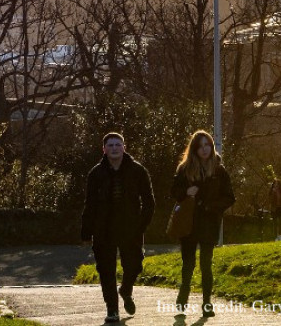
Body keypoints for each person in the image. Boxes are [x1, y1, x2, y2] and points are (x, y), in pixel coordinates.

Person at [80, 132, 155, 323]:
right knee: (106, 270)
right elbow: (89, 204)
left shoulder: (138, 171)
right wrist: (86, 232)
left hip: (131, 227)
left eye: (118, 144)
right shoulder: (96, 173)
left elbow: (149, 201)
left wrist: (141, 225)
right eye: (110, 145)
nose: (114, 148)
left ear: (124, 147)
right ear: (104, 149)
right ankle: (112, 309)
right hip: (103, 228)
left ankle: (126, 289)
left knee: (135, 265)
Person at [170, 130, 235, 318]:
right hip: (188, 221)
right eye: (201, 146)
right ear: (195, 149)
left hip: (209, 222)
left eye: (208, 145)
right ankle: (183, 297)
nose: (205, 149)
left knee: (206, 264)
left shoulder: (219, 170)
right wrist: (186, 192)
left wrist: (210, 207)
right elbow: (174, 191)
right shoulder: (185, 168)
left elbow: (229, 197)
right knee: (187, 264)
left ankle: (207, 303)